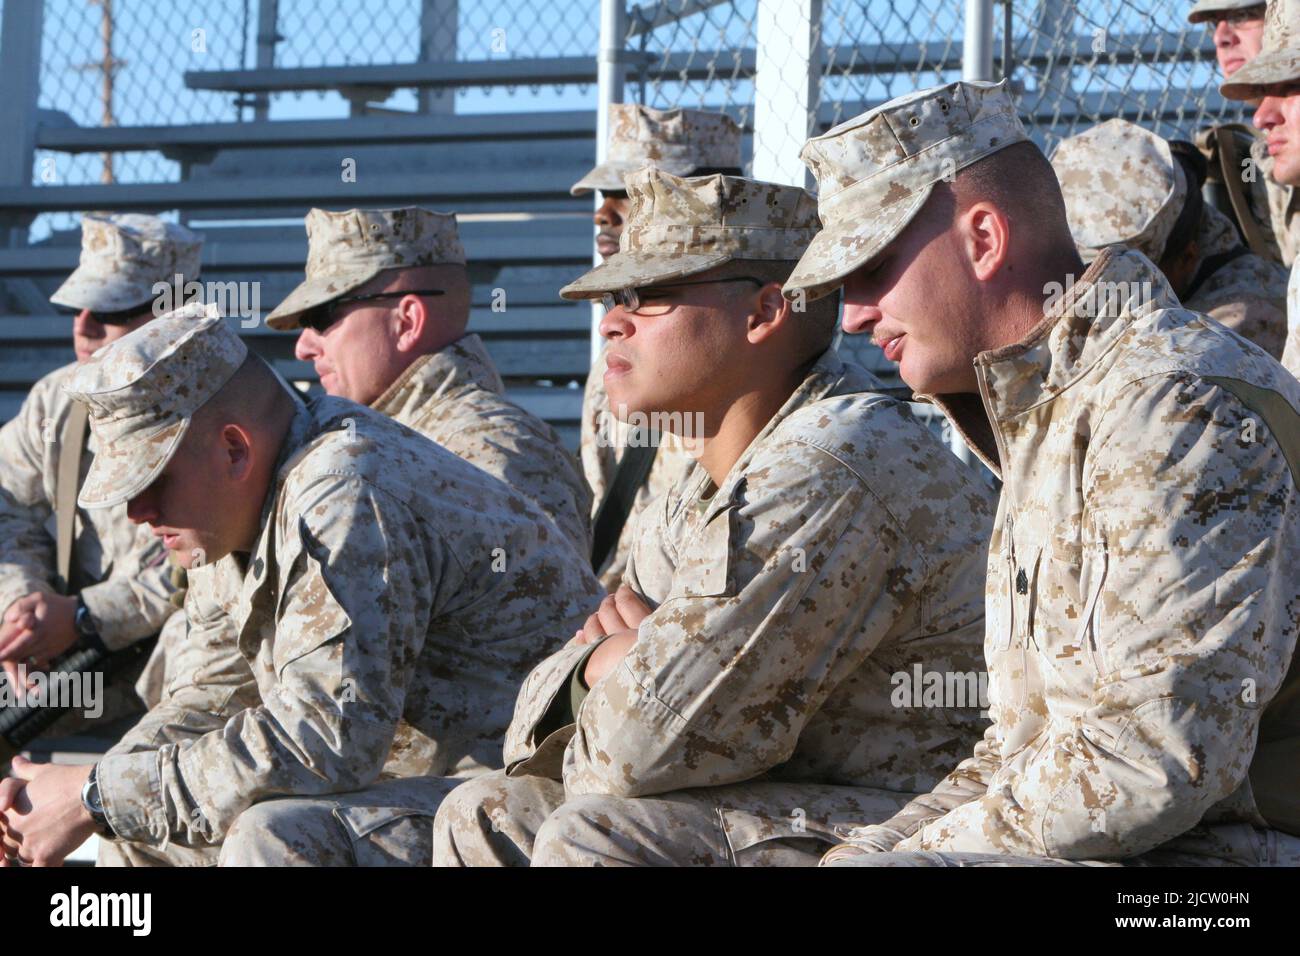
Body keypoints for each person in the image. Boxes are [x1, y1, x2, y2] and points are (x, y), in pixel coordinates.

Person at [774, 78, 1299, 867]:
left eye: (874, 267)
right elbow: (1019, 751)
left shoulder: (1170, 408)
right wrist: (870, 854)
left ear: (984, 239)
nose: (851, 313)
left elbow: (1151, 761)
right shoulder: (1049, 411)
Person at [432, 167, 995, 867]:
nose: (611, 319)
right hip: (784, 796)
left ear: (763, 313)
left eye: (650, 296)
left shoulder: (831, 460)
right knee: (485, 811)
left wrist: (631, 664)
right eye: (616, 296)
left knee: (594, 835)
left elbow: (636, 750)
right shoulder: (700, 478)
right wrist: (602, 671)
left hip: (915, 822)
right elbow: (539, 729)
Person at [0, 305, 602, 867]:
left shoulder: (343, 491)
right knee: (137, 829)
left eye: (151, 479)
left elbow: (327, 738)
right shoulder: (226, 512)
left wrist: (94, 795)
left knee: (271, 835)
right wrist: (84, 795)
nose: (136, 511)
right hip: (407, 786)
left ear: (234, 448)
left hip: (516, 790)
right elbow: (210, 693)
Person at [267, 205, 590, 554]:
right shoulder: (396, 440)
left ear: (407, 322)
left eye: (322, 316)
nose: (303, 347)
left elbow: (551, 603)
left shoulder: (487, 451)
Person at [0, 214, 194, 736]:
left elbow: (201, 574)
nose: (82, 327)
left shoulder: (224, 414)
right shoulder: (56, 402)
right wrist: (22, 608)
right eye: (75, 307)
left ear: (172, 314)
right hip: (70, 658)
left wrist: (86, 616)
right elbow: (6, 504)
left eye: (109, 311)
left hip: (171, 664)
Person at [572, 104, 743, 587]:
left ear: (699, 204)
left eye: (627, 195)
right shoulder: (615, 350)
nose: (602, 215)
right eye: (602, 196)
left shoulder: (734, 357)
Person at [1053, 117, 1287, 357]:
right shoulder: (1181, 248)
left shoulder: (1240, 326)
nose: (1092, 291)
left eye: (1118, 280)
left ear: (1187, 259)